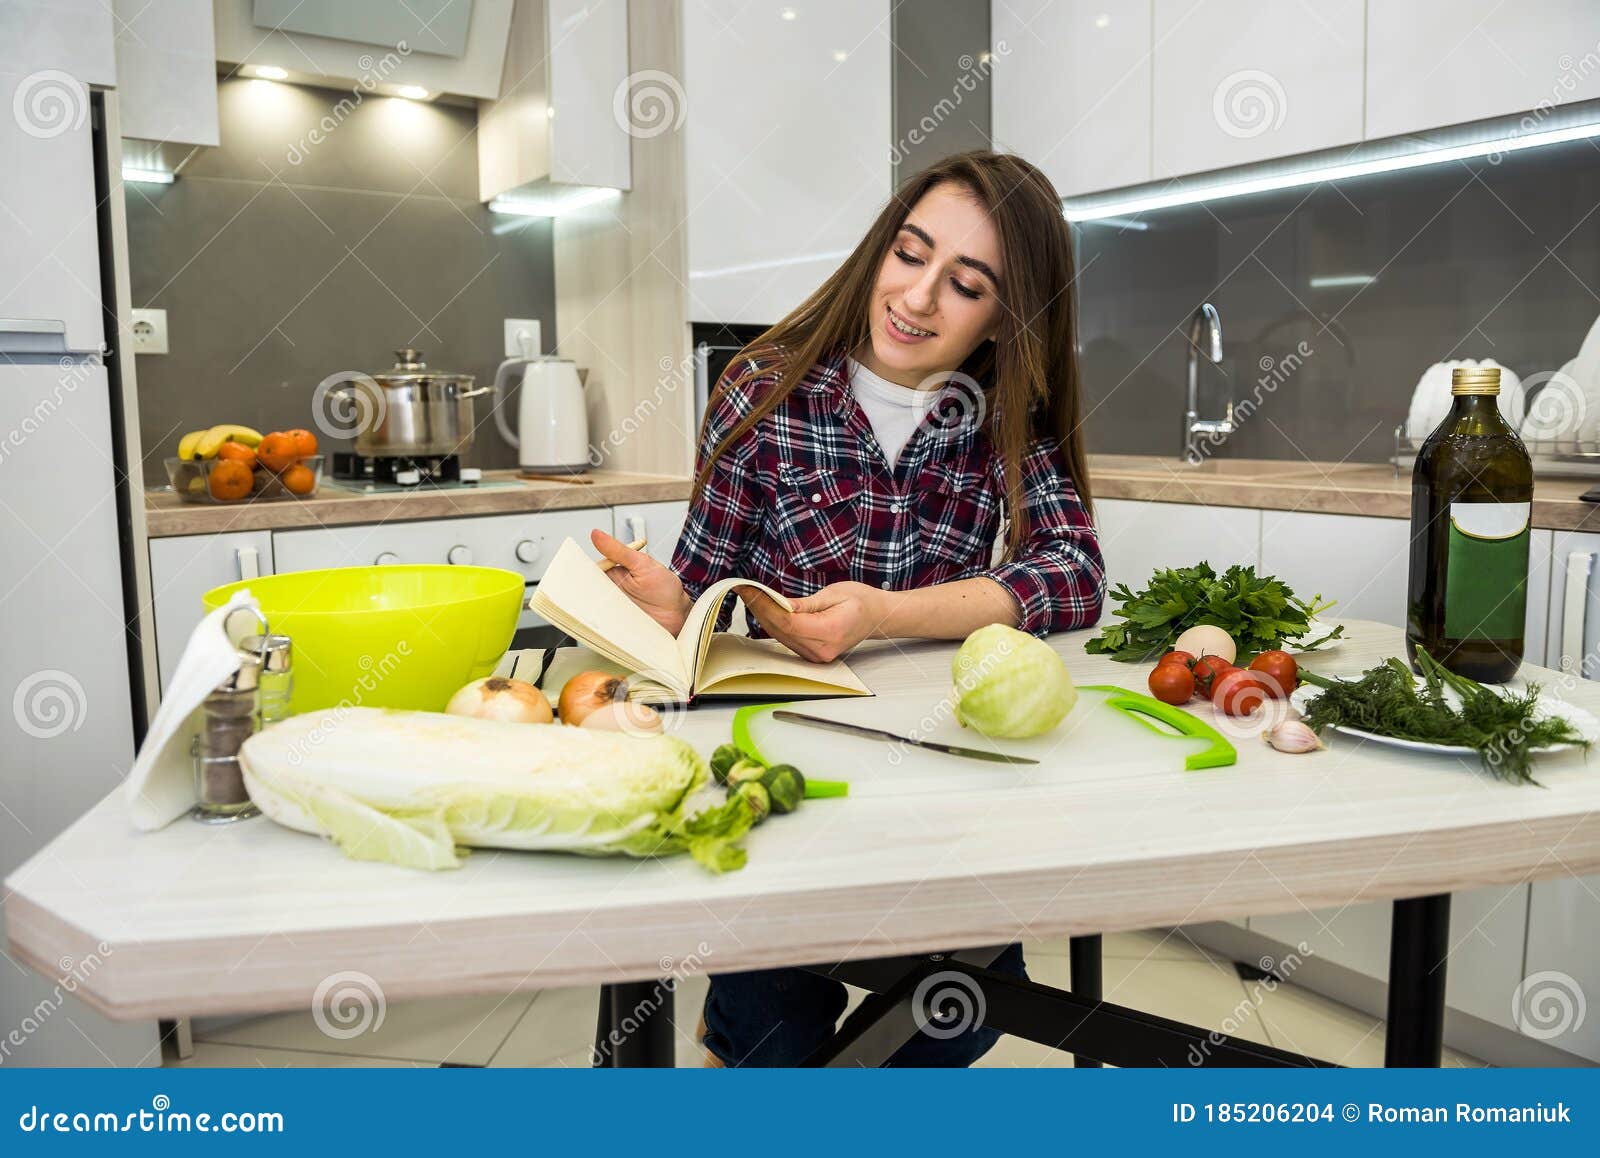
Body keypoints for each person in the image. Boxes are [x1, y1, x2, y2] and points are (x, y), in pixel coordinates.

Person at [591, 150, 1105, 1066]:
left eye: (967, 284)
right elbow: (704, 586)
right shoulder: (765, 388)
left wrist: (882, 614)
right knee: (774, 1032)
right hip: (782, 764)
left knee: (979, 1004)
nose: (917, 298)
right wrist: (673, 605)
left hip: (933, 766)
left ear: (1004, 317)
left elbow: (1072, 575)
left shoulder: (1005, 416)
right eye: (910, 255)